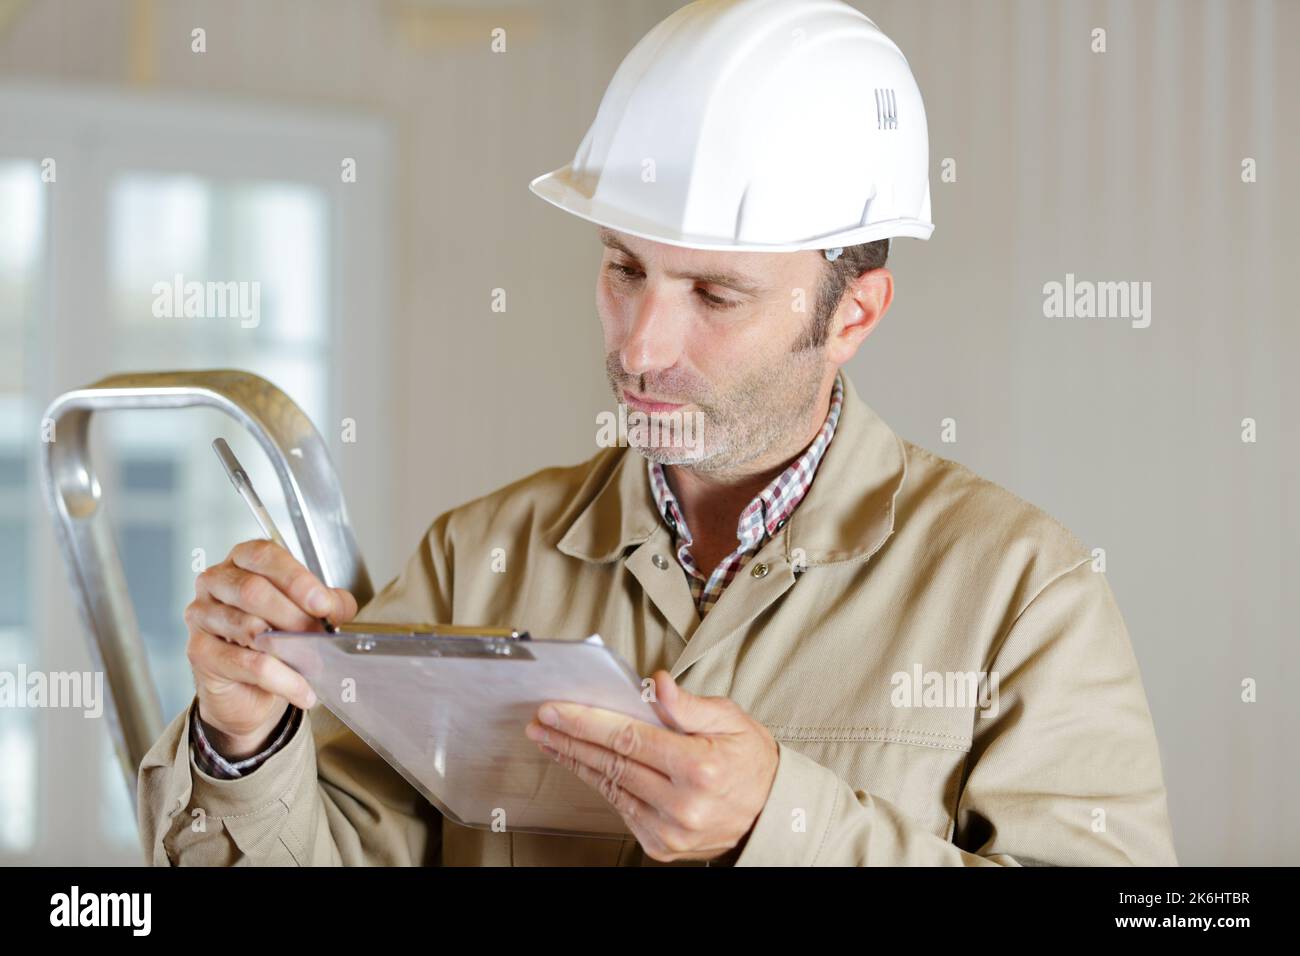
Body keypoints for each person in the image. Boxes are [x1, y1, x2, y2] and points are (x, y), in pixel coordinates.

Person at [138, 0, 1177, 866]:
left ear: (851, 315)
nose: (639, 348)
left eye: (714, 293)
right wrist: (244, 739)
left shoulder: (1021, 590)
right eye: (623, 267)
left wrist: (783, 825)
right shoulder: (476, 557)